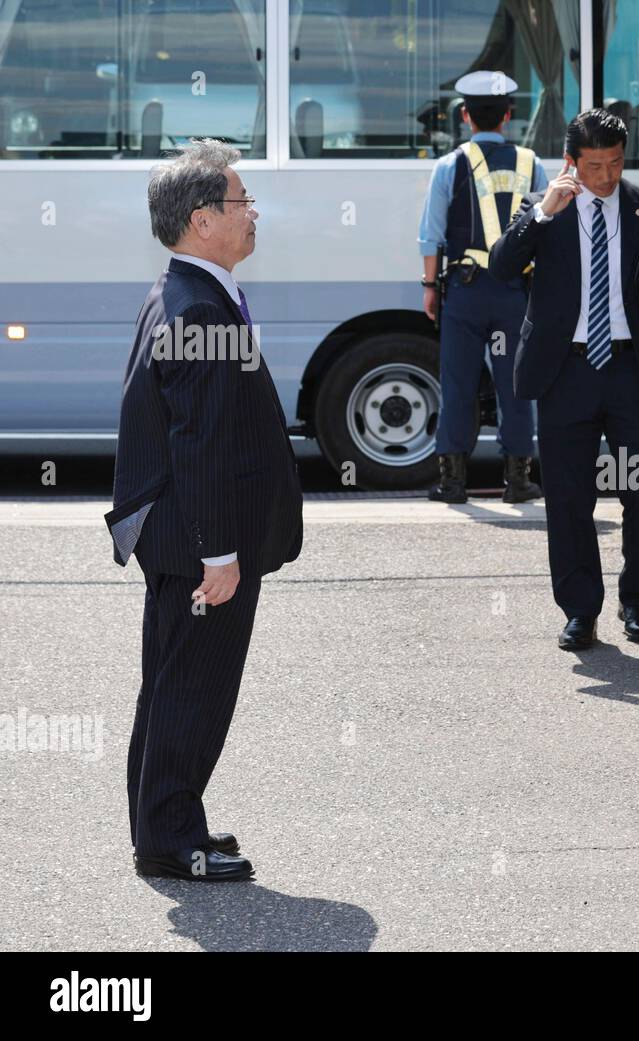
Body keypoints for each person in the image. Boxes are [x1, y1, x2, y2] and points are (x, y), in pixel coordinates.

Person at [105, 139, 303, 882]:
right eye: (241, 203)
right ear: (201, 220)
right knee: (192, 689)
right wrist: (219, 552)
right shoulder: (196, 306)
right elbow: (203, 444)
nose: (254, 215)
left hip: (180, 535)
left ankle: (163, 823)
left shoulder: (186, 291)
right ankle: (169, 839)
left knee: (171, 684)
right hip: (198, 543)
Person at [488, 109, 639, 650]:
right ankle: (580, 611)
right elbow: (500, 267)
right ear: (570, 162)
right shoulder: (546, 208)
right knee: (567, 498)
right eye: (593, 166)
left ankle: (637, 602)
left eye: (613, 164)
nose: (604, 177)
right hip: (566, 372)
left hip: (636, 370)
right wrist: (539, 214)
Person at [418, 71, 548, 504]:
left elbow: (430, 234)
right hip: (515, 294)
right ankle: (518, 480)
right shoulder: (532, 165)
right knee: (515, 383)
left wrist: (429, 287)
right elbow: (550, 231)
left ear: (466, 117)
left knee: (457, 383)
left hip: (465, 291)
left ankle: (453, 483)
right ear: (508, 116)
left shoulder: (449, 165)